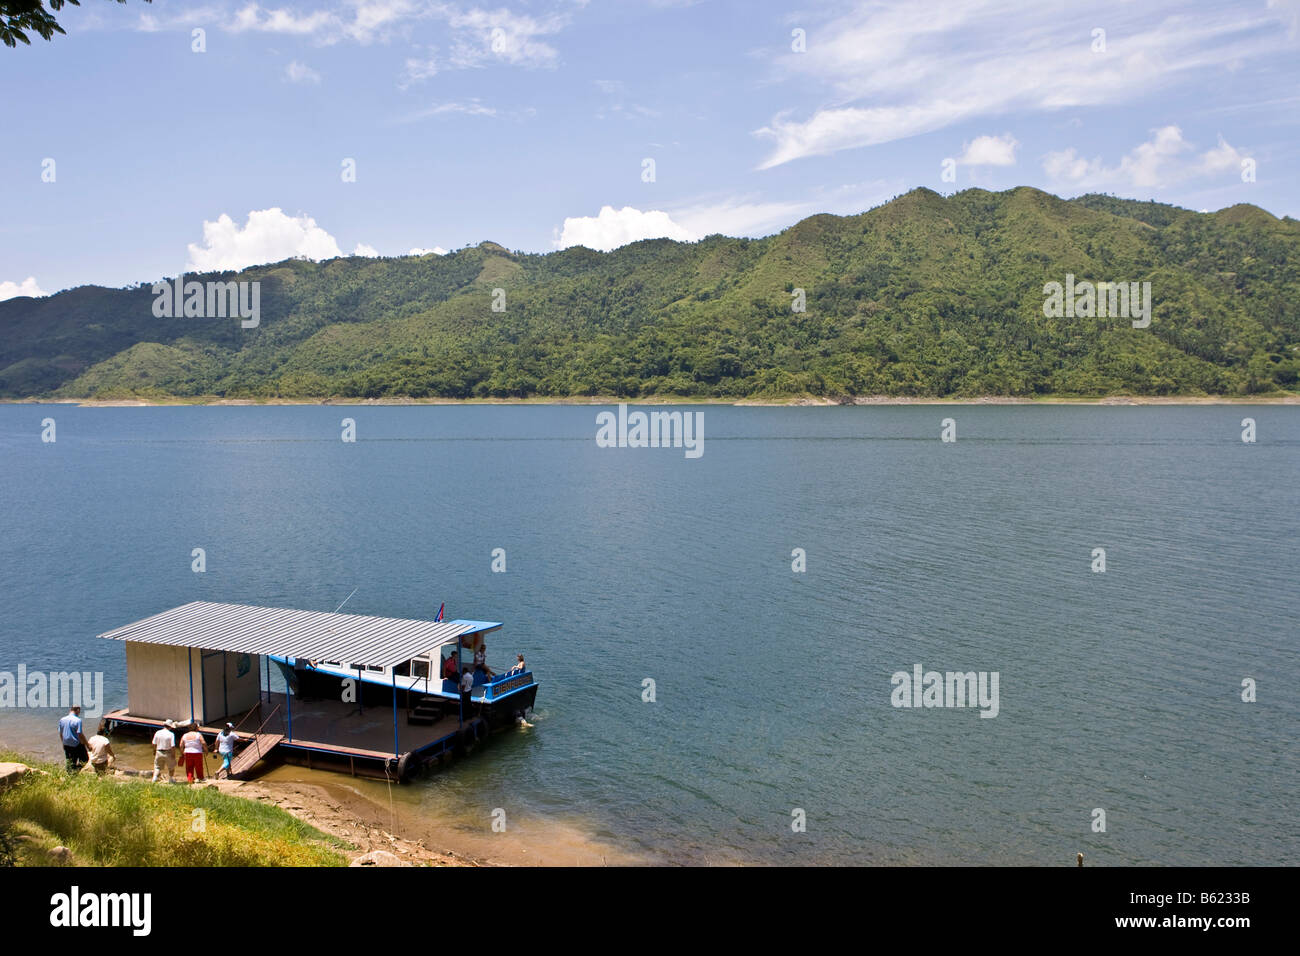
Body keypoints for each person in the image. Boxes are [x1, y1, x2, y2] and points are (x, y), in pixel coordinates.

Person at [58, 705, 90, 773]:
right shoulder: (78, 720)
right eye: (79, 711)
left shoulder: (62, 719)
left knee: (70, 761)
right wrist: (87, 745)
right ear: (78, 710)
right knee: (85, 759)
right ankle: (77, 771)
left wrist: (63, 743)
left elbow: (61, 733)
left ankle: (70, 773)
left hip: (66, 744)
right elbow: (80, 734)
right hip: (76, 745)